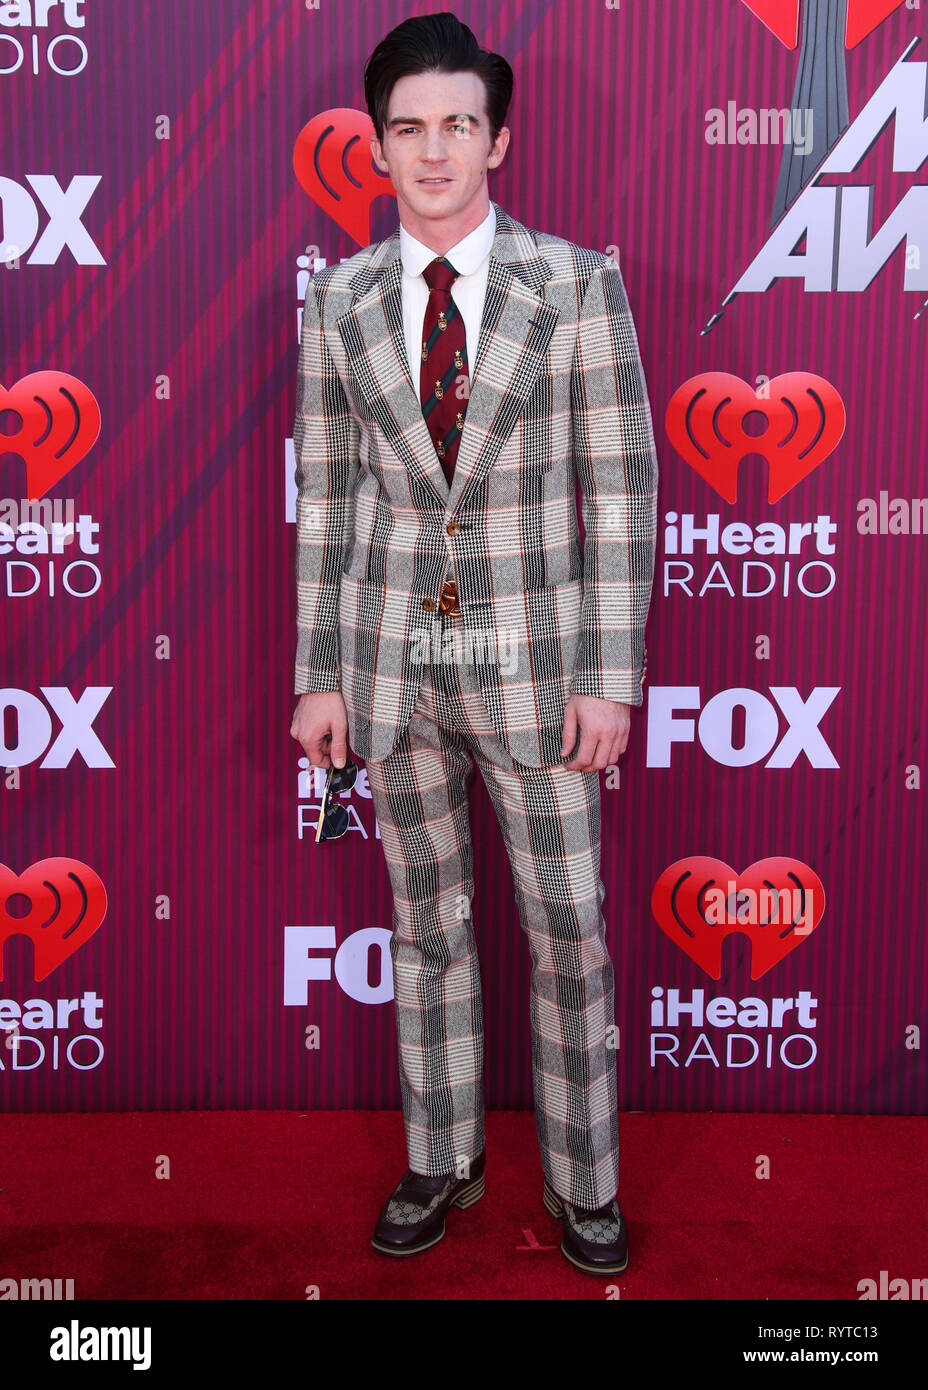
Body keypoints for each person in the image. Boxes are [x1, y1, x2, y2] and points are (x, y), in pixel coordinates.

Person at [290, 10, 658, 1276]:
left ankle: (585, 1182)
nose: (433, 150)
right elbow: (328, 499)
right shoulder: (336, 299)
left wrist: (611, 677)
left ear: (497, 136)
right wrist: (319, 674)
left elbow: (621, 485)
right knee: (427, 925)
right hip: (391, 662)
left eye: (457, 124)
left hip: (541, 668)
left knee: (567, 927)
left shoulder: (574, 282)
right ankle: (440, 1158)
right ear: (376, 148)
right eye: (407, 128)